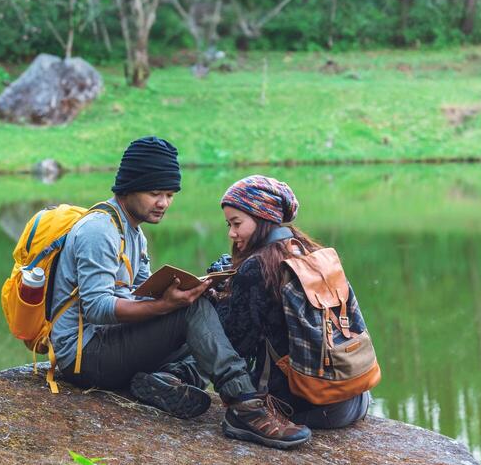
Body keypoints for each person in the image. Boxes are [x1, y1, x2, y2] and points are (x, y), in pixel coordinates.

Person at [45, 136, 312, 449]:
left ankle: (168, 379)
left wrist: (190, 290)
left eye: (169, 194)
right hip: (85, 357)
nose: (164, 203)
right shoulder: (99, 230)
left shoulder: (133, 231)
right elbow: (97, 309)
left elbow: (141, 293)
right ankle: (245, 406)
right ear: (129, 187)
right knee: (190, 312)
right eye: (155, 193)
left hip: (111, 339)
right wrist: (168, 306)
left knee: (205, 311)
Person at [208, 174, 372, 430]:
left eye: (237, 223)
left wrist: (218, 296)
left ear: (262, 218)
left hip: (307, 406)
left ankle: (178, 374)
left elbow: (235, 344)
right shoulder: (313, 253)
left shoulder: (257, 267)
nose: (232, 233)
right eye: (229, 224)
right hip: (355, 397)